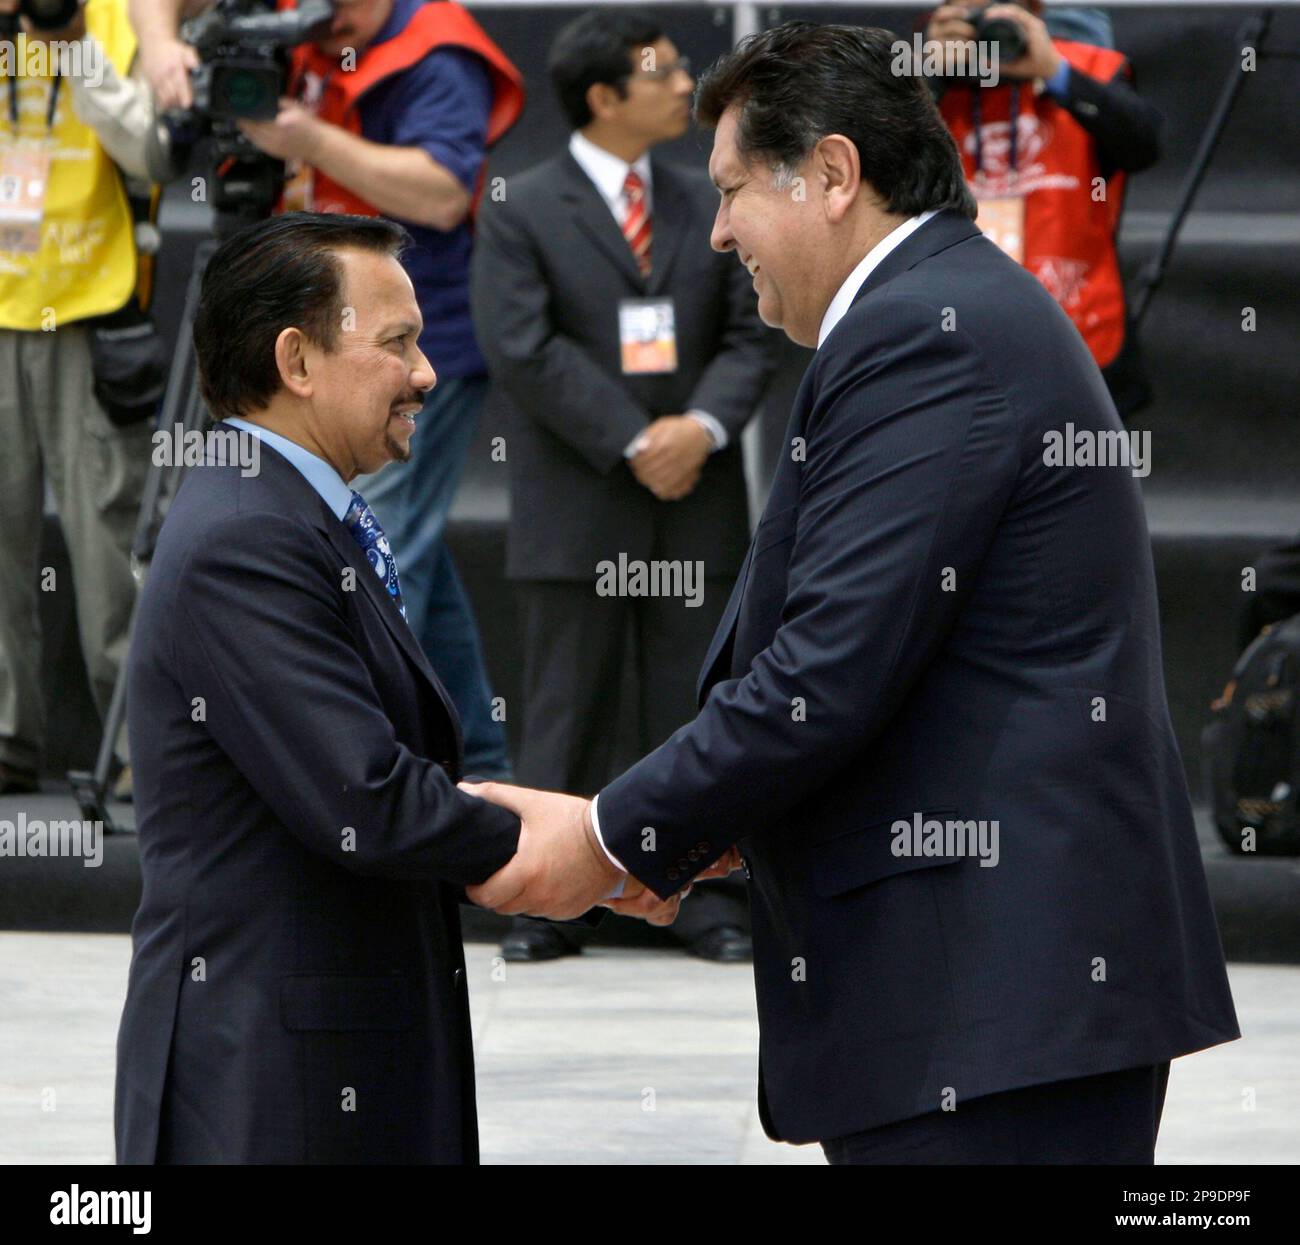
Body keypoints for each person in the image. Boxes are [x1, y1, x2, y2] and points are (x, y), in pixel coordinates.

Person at [460, 22, 1240, 1165]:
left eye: (731, 191)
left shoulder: (927, 335)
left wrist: (611, 836)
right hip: (986, 1005)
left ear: (831, 175)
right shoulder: (934, 311)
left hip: (996, 1007)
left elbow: (829, 667)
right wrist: (717, 825)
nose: (717, 230)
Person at [113, 213, 680, 1165]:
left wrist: (575, 831)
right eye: (397, 344)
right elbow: (368, 798)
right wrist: (592, 851)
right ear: (296, 360)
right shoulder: (248, 538)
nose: (426, 373)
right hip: (270, 1090)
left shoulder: (297, 511)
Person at [131, 0, 523, 777]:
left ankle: (380, 776)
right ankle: (478, 767)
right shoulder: (291, 17)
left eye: (340, 6)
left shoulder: (437, 48)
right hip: (315, 339)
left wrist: (306, 139)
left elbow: (443, 191)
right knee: (405, 555)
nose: (321, 19)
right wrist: (161, 46)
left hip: (408, 351)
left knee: (382, 554)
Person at [471, 9, 775, 964]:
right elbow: (521, 345)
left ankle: (706, 898)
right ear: (605, 97)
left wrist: (701, 427)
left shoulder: (706, 194)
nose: (686, 84)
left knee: (699, 703)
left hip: (700, 491)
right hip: (581, 492)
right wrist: (635, 438)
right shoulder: (521, 199)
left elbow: (753, 327)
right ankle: (544, 901)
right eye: (663, 72)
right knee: (567, 699)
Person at [0, 0, 158, 797]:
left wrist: (70, 46)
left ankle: (137, 745)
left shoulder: (118, 19)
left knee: (105, 542)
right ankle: (5, 739)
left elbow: (154, 153)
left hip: (85, 306)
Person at [924, 1, 1161, 418]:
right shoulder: (930, 87)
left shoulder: (1088, 66)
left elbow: (1144, 145)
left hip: (1080, 334)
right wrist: (929, 74)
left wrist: (1056, 71)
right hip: (957, 343)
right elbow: (868, 163)